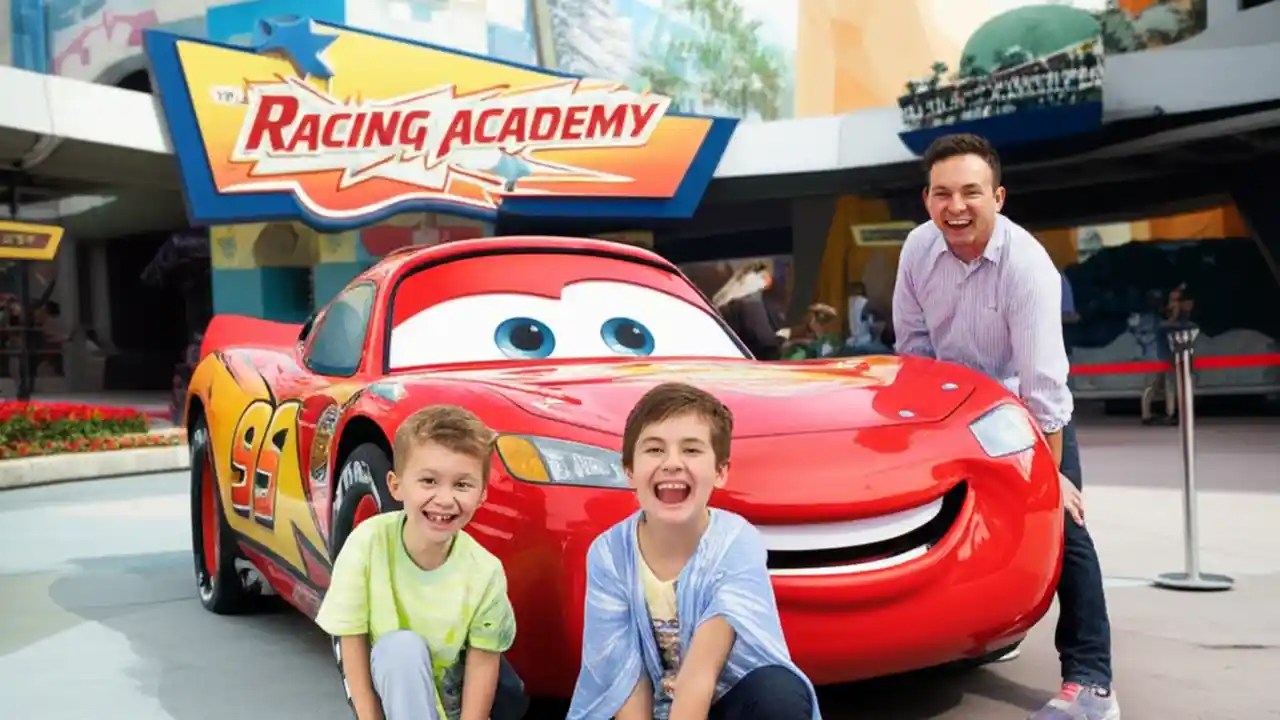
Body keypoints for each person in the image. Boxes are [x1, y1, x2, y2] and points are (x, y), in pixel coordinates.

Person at [891, 133, 1119, 720]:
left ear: (998, 196)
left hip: (1023, 416)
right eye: (943, 194)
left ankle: (1092, 682)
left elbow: (1045, 392)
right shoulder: (918, 250)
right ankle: (963, 641)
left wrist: (1048, 476)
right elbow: (913, 354)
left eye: (971, 192)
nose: (956, 206)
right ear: (926, 200)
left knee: (1063, 531)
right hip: (949, 412)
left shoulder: (1028, 267)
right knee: (944, 528)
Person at [567, 382, 819, 720]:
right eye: (655, 450)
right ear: (629, 471)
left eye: (691, 450)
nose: (672, 463)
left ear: (720, 472)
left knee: (779, 691)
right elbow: (622, 677)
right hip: (653, 708)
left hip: (725, 701)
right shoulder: (609, 555)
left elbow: (699, 673)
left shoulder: (735, 541)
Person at [315, 405, 527, 720]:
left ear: (482, 494)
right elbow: (352, 640)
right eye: (428, 481)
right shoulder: (366, 544)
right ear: (395, 485)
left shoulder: (486, 571)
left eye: (462, 485)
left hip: (455, 709)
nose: (444, 499)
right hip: (394, 698)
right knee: (400, 648)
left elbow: (484, 664)